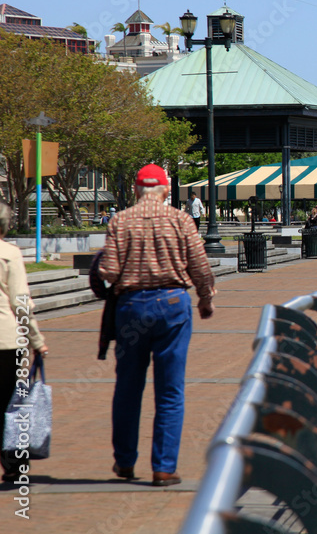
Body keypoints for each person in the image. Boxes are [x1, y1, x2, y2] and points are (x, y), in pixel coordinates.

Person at [97, 164, 215, 487]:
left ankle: (124, 461)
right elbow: (200, 267)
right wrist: (205, 299)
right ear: (165, 190)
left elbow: (108, 271)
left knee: (128, 387)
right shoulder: (181, 220)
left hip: (131, 307)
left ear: (137, 190)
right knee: (170, 390)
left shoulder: (120, 220)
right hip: (173, 305)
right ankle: (163, 467)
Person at [0, 200, 48, 483]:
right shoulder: (9, 254)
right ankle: (15, 464)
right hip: (8, 339)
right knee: (14, 404)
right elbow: (21, 302)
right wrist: (37, 339)